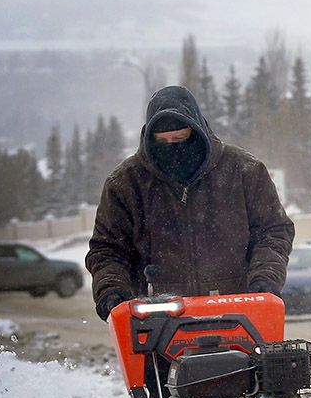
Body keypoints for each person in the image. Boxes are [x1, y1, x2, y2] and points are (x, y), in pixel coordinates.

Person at [86, 85, 294, 320]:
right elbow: (107, 248)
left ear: (196, 132)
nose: (172, 147)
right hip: (155, 319)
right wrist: (111, 288)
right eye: (162, 141)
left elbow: (274, 230)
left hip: (238, 311)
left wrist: (265, 277)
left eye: (180, 138)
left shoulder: (244, 171)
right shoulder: (126, 183)